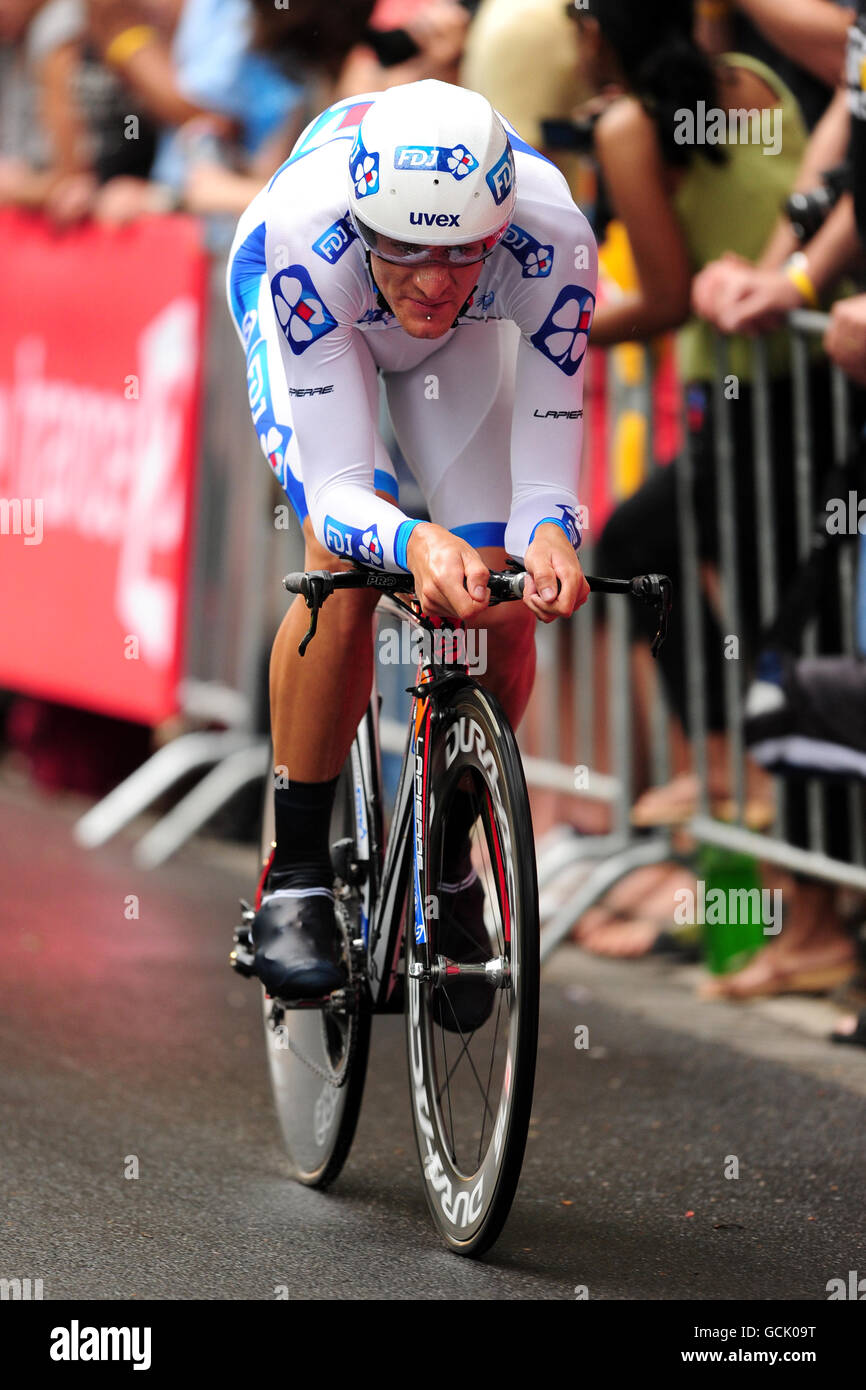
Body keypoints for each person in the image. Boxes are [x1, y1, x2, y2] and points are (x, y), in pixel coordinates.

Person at [226, 79, 596, 1002]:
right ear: (363, 220)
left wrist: (550, 535)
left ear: (501, 226)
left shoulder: (555, 238)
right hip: (326, 321)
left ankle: (452, 859)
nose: (433, 280)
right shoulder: (308, 234)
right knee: (344, 567)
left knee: (499, 598)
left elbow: (548, 471)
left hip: (460, 352)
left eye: (462, 253)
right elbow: (342, 492)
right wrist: (417, 542)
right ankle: (299, 868)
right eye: (408, 249)